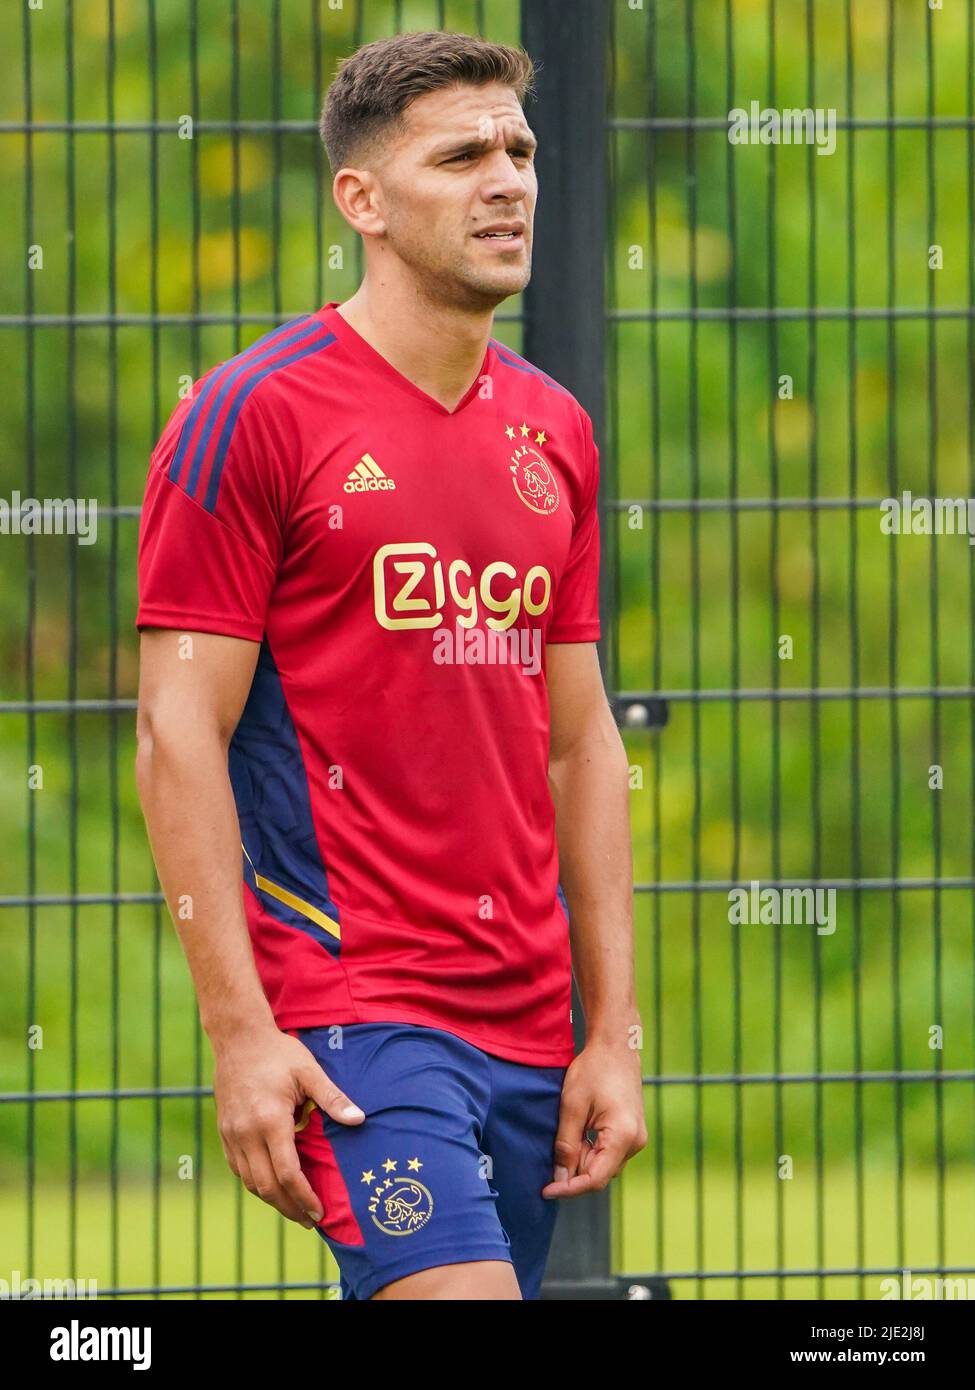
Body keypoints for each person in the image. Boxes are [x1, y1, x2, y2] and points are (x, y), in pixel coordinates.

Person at [135, 28, 646, 1302]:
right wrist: (241, 1032)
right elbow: (175, 732)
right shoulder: (249, 414)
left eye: (521, 150)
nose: (509, 179)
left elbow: (583, 742)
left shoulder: (557, 431)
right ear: (359, 198)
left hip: (530, 1020)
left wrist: (614, 1033)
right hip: (353, 1008)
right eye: (462, 152)